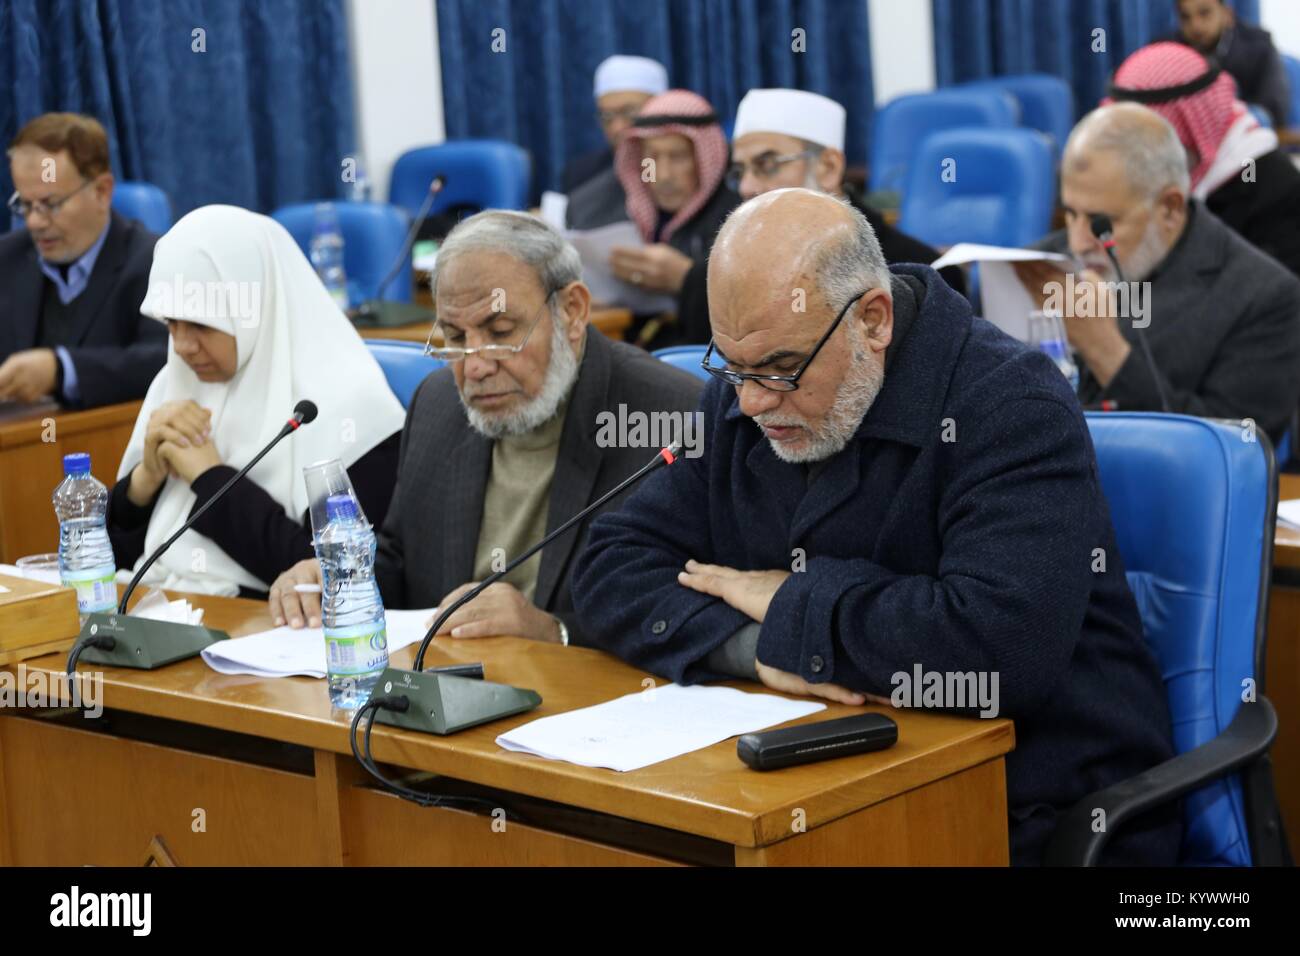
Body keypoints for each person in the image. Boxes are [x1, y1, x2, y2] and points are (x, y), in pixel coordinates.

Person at [571, 188, 1180, 866]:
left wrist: (788, 604)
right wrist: (755, 648)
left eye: (781, 369)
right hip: (809, 783)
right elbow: (607, 567)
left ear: (874, 319)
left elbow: (999, 646)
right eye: (731, 366)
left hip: (1031, 802)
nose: (751, 403)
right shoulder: (746, 388)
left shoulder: (1010, 402)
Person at [269, 211, 702, 644]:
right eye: (456, 338)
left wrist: (555, 630)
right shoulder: (438, 403)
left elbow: (687, 604)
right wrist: (341, 578)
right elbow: (403, 565)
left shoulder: (664, 417)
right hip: (445, 685)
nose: (474, 366)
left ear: (572, 311)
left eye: (499, 331)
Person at [109, 205, 406, 597]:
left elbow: (338, 578)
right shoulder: (176, 382)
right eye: (170, 323)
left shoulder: (350, 405)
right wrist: (144, 481)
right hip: (167, 607)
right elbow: (119, 558)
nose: (181, 346)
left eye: (200, 323)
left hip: (282, 631)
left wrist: (210, 479)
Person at [1016, 103, 1300, 442]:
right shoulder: (1035, 265)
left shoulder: (1264, 298)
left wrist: (1107, 353)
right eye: (1071, 215)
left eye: (1100, 223)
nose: (1078, 243)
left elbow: (1231, 454)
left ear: (1169, 208)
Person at [670, 87, 967, 344]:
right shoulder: (711, 276)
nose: (747, 187)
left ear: (828, 167)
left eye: (767, 164)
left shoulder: (920, 272)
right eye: (740, 171)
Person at [0, 112, 166, 407]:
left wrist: (62, 370)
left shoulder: (153, 262)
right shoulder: (7, 258)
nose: (35, 222)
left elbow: (165, 360)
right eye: (26, 205)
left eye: (51, 204)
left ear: (102, 191)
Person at [1106, 41, 1300, 277]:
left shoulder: (1275, 191)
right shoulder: (1146, 176)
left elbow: (1273, 297)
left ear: (1186, 126)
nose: (1138, 151)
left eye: (1145, 135)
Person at [604, 90, 742, 349]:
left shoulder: (737, 219)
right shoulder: (622, 212)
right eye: (652, 158)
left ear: (704, 158)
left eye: (677, 157)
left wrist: (686, 279)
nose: (663, 175)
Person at [1164, 0, 1291, 128]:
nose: (1196, 25)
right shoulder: (1168, 50)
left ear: (1227, 14)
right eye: (1185, 17)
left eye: (1204, 13)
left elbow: (1274, 107)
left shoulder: (1259, 47)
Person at [562, 54, 668, 195]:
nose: (617, 128)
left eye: (630, 113)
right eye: (607, 116)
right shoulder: (582, 175)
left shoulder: (679, 170)